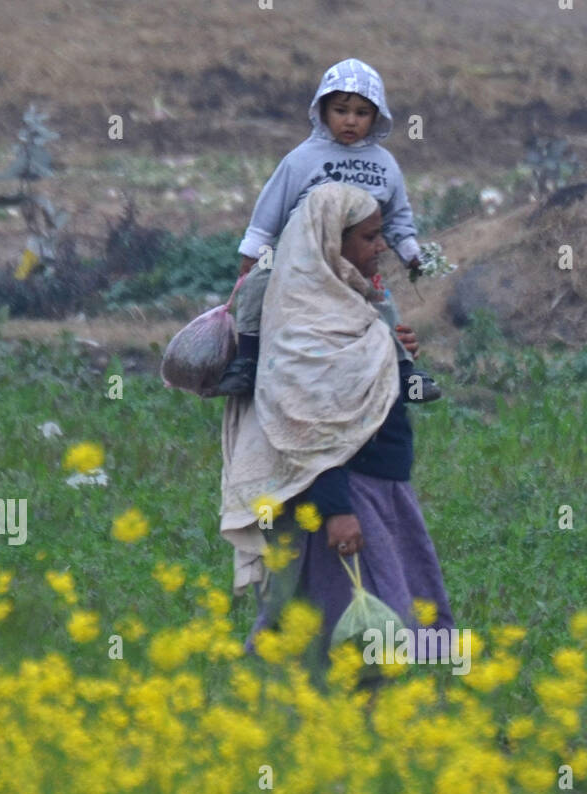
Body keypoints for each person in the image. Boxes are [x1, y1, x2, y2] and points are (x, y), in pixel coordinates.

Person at [219, 181, 454, 665]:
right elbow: (310, 431)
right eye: (369, 238)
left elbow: (374, 386)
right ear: (331, 241)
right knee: (357, 623)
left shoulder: (354, 301)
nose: (382, 247)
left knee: (380, 603)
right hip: (343, 492)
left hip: (384, 484)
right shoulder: (304, 326)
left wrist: (394, 350)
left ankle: (422, 704)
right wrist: (337, 510)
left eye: (382, 235)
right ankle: (348, 715)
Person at [212, 57, 441, 404]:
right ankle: (247, 360)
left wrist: (410, 251)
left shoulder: (384, 165)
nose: (351, 120)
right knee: (260, 283)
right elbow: (270, 210)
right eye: (341, 110)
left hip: (356, 262)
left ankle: (404, 370)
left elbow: (397, 217)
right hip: (299, 255)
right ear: (323, 110)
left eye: (362, 113)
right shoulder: (302, 159)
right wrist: (253, 251)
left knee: (382, 304)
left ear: (376, 116)